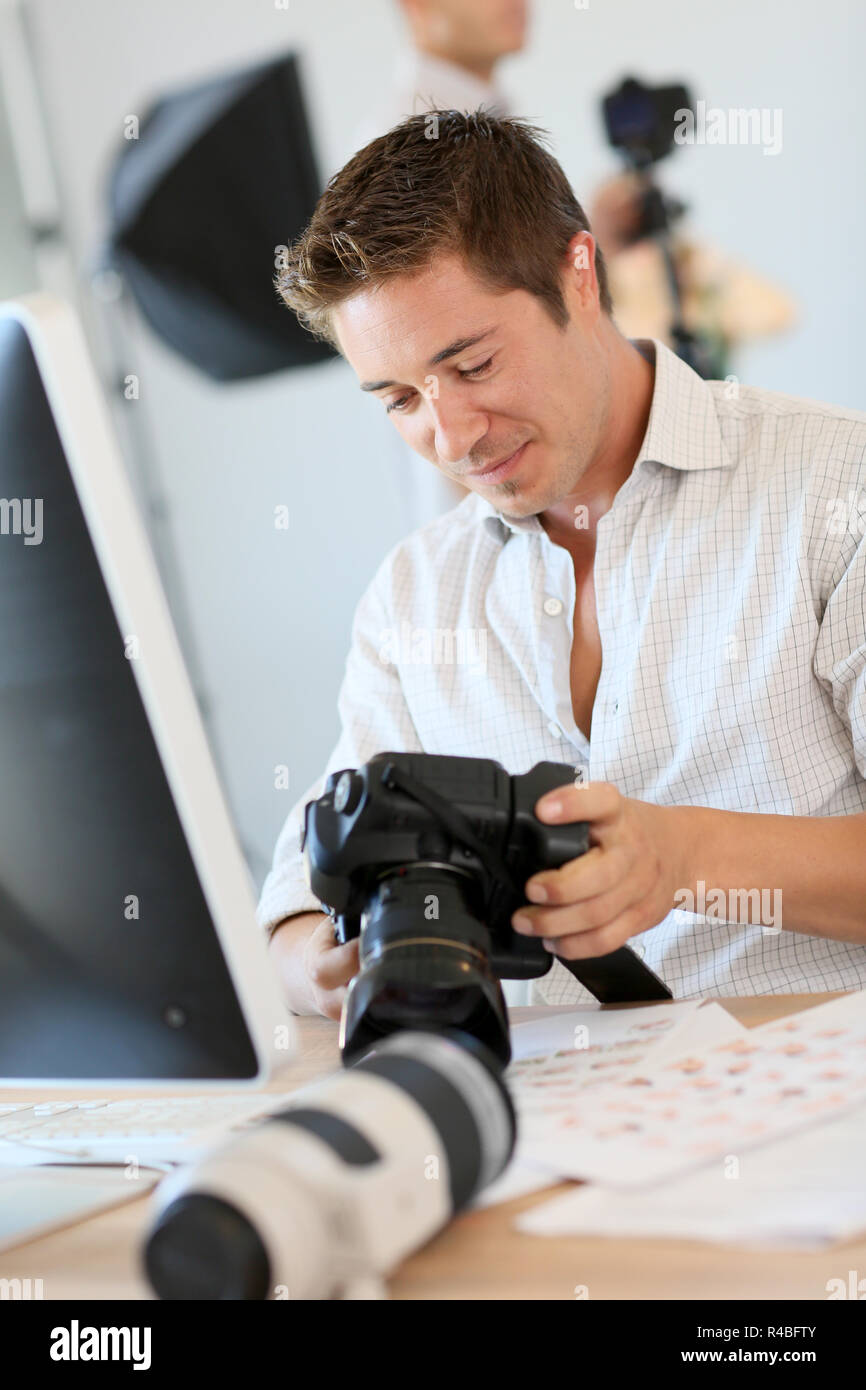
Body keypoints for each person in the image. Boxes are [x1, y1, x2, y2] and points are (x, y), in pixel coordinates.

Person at [259, 111, 866, 1020]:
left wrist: (682, 858)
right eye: (397, 399)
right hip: (550, 1137)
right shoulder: (415, 595)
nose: (451, 436)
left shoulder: (833, 492)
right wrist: (345, 955)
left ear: (579, 274)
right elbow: (291, 915)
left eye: (473, 363)